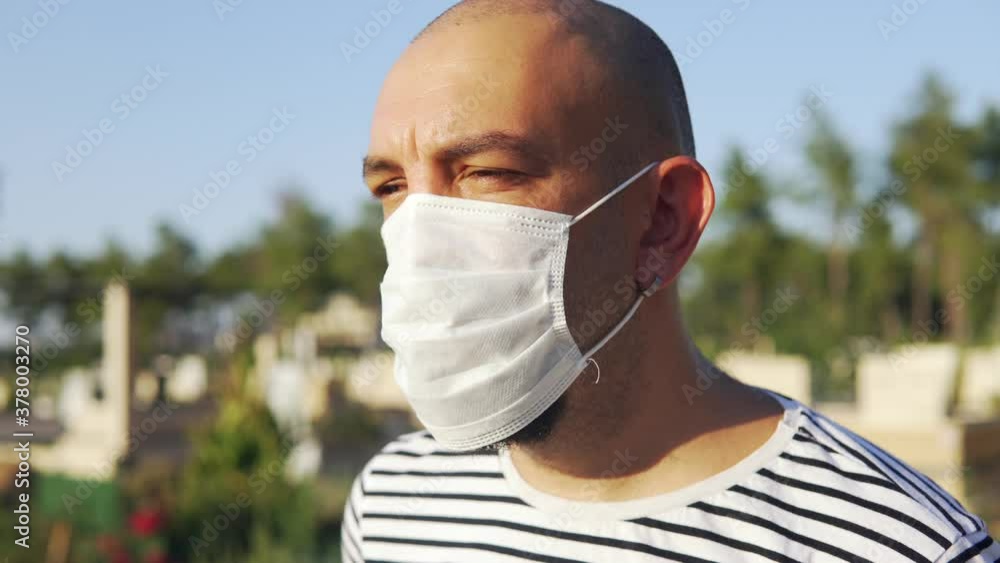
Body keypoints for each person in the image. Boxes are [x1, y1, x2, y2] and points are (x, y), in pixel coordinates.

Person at [343, 0, 999, 560]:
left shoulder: (900, 543)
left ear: (664, 220)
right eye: (392, 186)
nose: (420, 236)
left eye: (488, 171)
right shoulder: (390, 500)